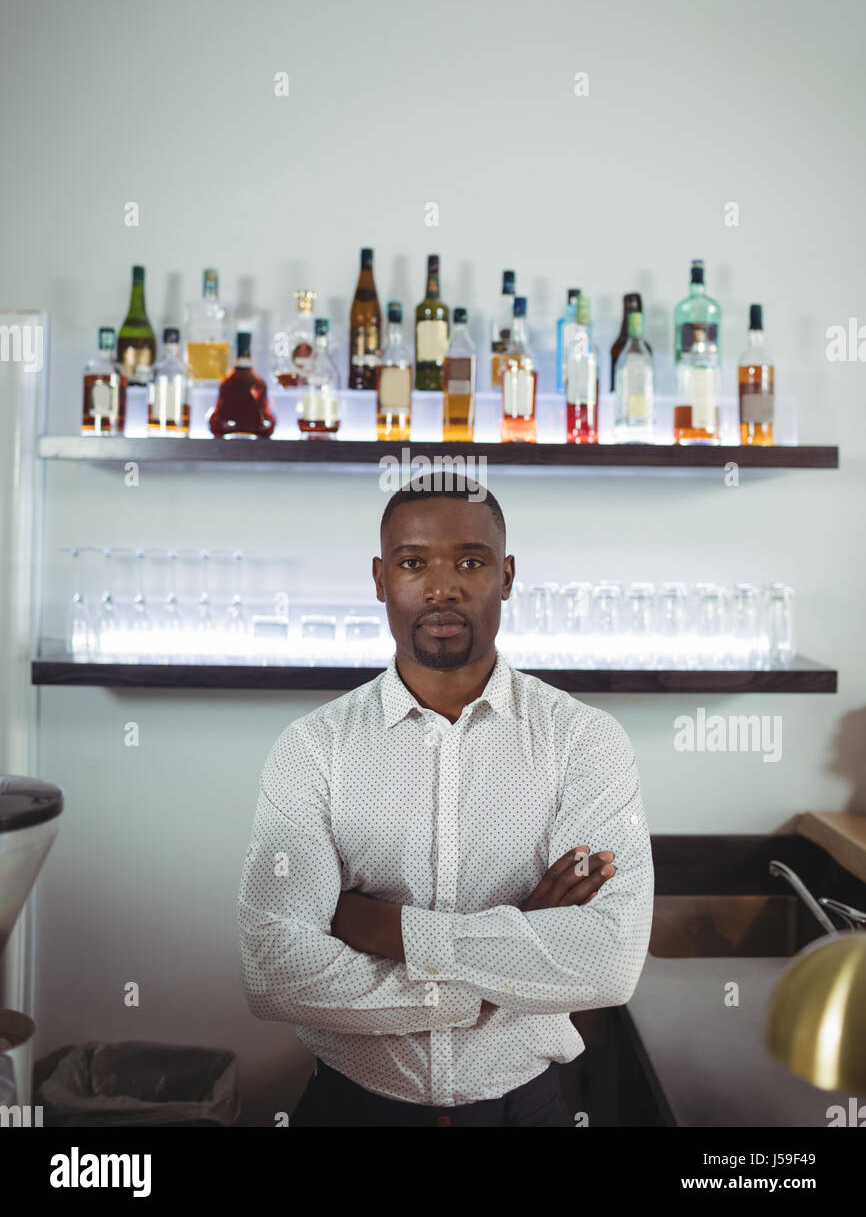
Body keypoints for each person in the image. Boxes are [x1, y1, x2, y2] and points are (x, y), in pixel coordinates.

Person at [237, 473, 654, 1127]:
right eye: (412, 563)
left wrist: (381, 927)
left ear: (507, 575)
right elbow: (274, 969)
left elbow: (607, 962)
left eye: (469, 561)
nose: (442, 587)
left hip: (528, 1110)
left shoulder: (585, 741)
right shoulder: (313, 748)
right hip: (350, 1112)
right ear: (380, 579)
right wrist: (486, 986)